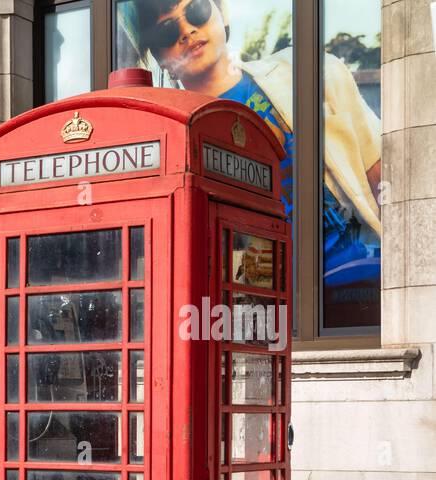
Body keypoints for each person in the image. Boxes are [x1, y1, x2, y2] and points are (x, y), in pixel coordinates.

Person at [128, 0, 381, 291]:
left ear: (222, 14)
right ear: (160, 60)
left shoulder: (304, 70)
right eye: (167, 32)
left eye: (196, 10)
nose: (187, 30)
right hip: (273, 301)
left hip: (362, 279)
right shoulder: (175, 135)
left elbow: (376, 170)